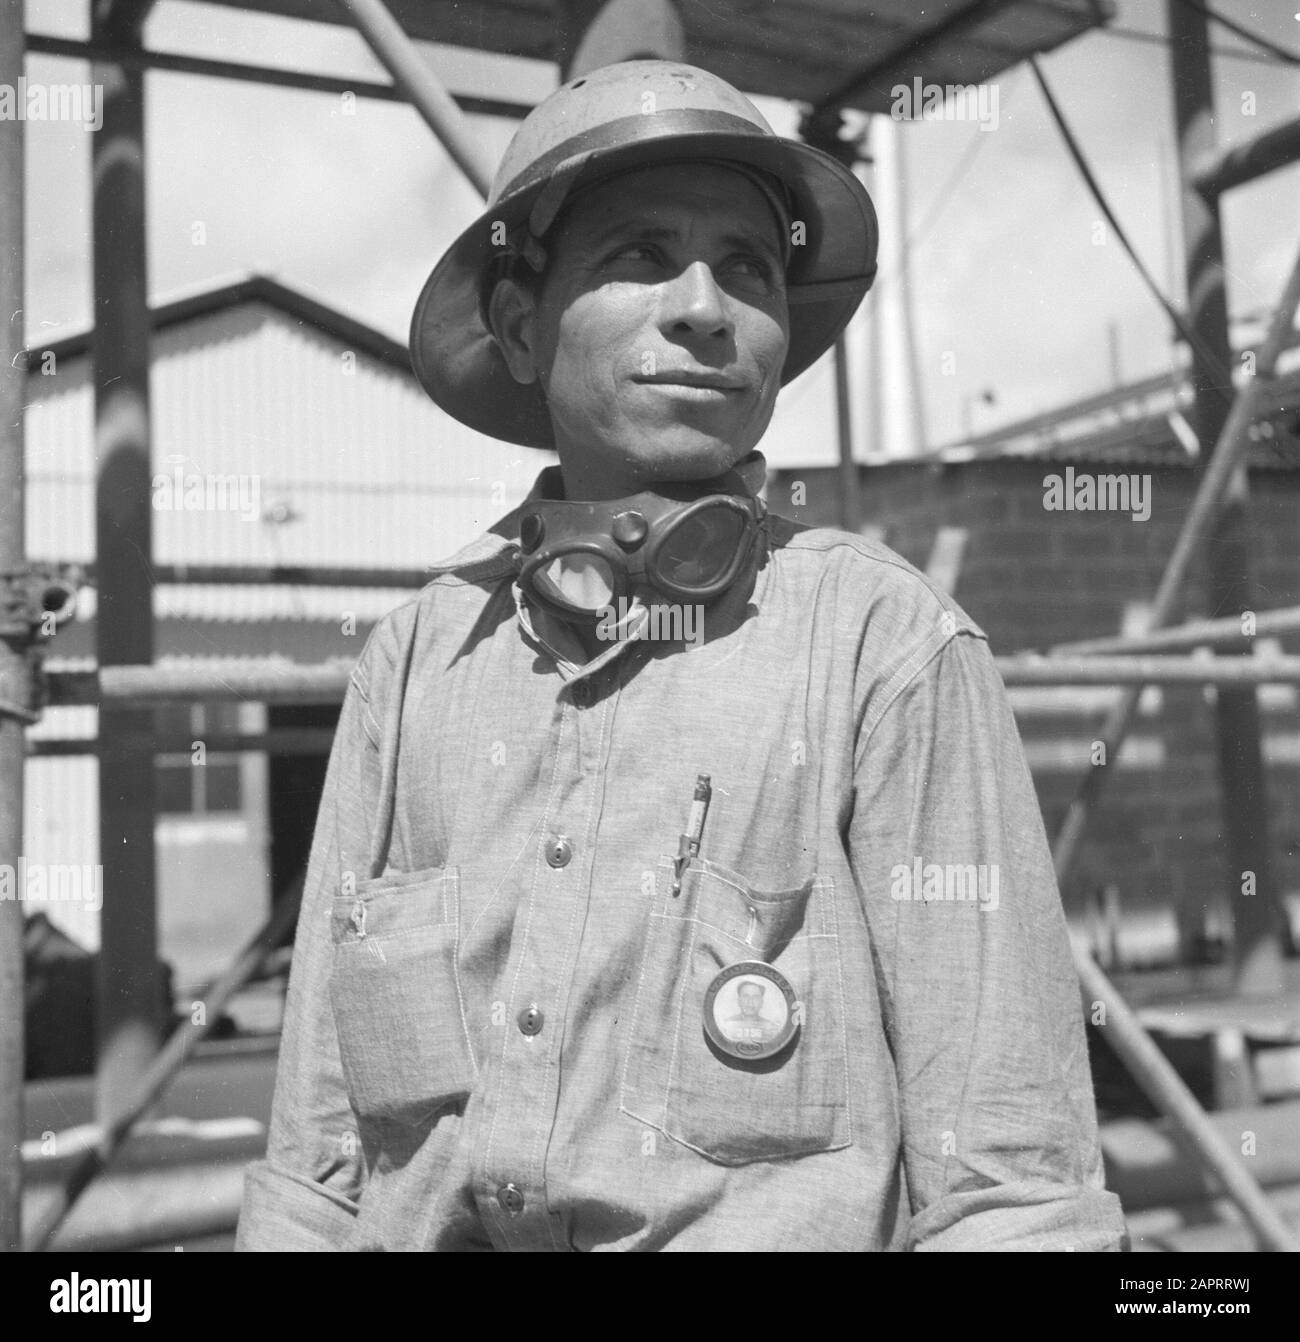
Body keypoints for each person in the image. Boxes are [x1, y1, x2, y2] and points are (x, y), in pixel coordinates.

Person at [237, 60, 1127, 1252]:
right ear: (518, 324)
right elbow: (316, 1167)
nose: (705, 306)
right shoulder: (414, 663)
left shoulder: (884, 646)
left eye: (747, 269)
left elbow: (1014, 1196)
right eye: (639, 256)